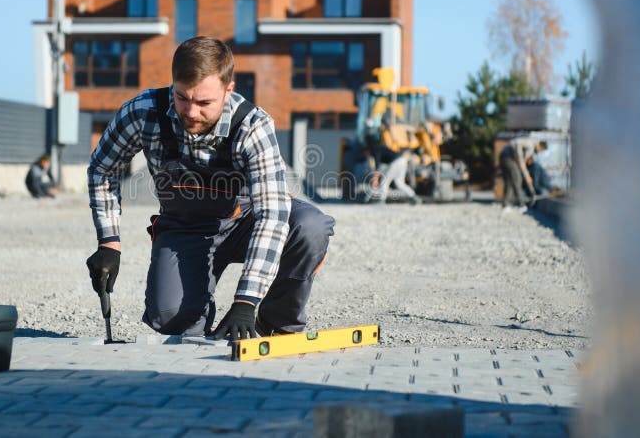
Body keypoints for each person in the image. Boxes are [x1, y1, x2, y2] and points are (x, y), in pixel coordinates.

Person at [85, 37, 336, 341]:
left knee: (309, 227)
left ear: (228, 90)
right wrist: (109, 242)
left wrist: (246, 301)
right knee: (172, 318)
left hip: (247, 221)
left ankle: (276, 322)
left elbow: (272, 215)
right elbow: (103, 169)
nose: (190, 112)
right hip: (185, 229)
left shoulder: (252, 126)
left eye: (204, 103)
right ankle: (195, 325)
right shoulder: (142, 113)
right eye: (181, 98)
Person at [373, 121, 421, 205]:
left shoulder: (376, 150)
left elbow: (377, 167)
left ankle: (380, 200)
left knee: (385, 180)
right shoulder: (382, 147)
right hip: (403, 160)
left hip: (397, 161)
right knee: (399, 182)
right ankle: (414, 197)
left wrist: (375, 179)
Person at [499, 137, 548, 211]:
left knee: (510, 181)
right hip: (508, 156)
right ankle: (521, 204)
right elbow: (517, 142)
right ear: (540, 146)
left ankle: (505, 204)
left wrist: (527, 176)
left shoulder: (531, 150)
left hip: (507, 157)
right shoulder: (531, 144)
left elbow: (523, 163)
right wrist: (519, 156)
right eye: (541, 150)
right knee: (517, 178)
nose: (540, 152)